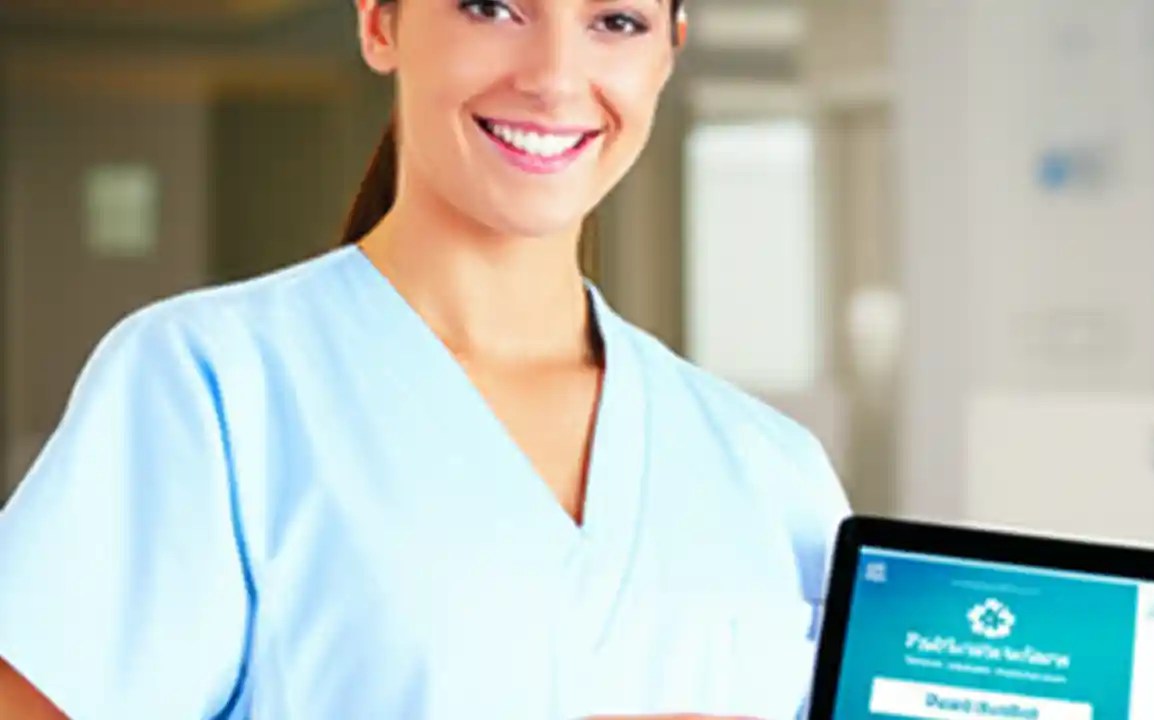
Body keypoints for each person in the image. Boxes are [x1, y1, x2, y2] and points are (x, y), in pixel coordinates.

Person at [0, 0, 849, 717]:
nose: (553, 76)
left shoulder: (772, 470)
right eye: (491, 6)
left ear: (670, 51)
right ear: (379, 22)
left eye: (616, 20)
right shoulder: (211, 386)